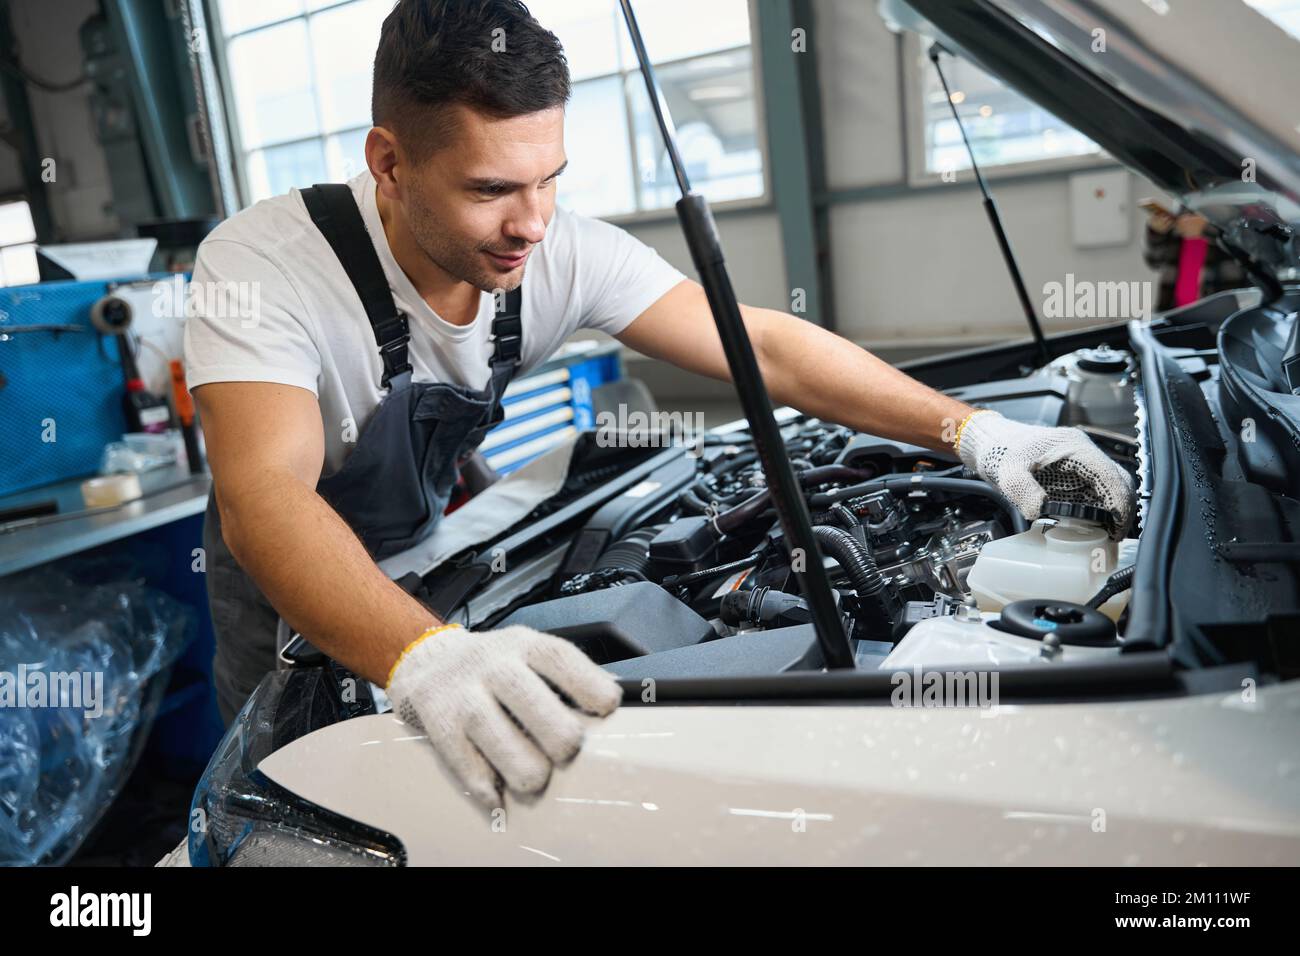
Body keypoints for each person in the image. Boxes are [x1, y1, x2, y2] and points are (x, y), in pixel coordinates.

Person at [185, 0, 1134, 807]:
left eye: (550, 180)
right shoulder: (264, 267)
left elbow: (761, 343)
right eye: (491, 190)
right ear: (388, 162)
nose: (532, 225)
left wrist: (976, 432)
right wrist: (422, 656)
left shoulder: (555, 251)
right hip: (289, 576)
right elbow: (264, 499)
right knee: (293, 783)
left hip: (428, 541)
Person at [1141, 199, 1246, 311]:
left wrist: (1207, 229)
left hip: (1219, 314)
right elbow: (1154, 262)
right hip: (1174, 312)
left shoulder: (1234, 215)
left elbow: (1251, 250)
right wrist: (1156, 233)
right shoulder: (1180, 219)